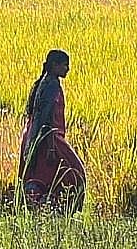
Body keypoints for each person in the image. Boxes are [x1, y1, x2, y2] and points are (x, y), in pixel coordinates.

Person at [19, 49, 86, 211]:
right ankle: (59, 210)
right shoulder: (51, 86)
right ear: (54, 65)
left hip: (37, 135)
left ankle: (41, 208)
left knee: (40, 173)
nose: (67, 69)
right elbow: (45, 116)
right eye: (64, 65)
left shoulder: (44, 82)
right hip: (48, 137)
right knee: (75, 173)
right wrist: (48, 145)